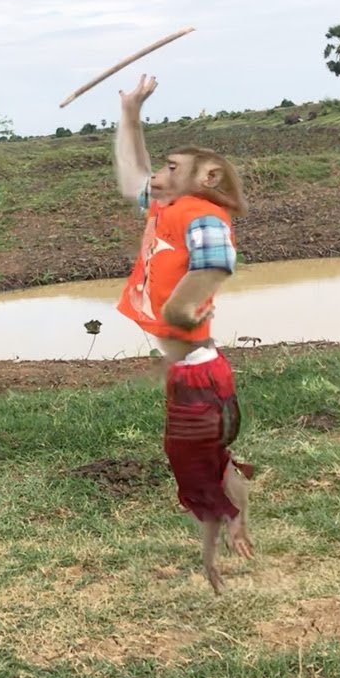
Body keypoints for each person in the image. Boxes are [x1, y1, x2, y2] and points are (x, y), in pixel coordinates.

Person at [112, 75, 256, 594]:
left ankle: (220, 546)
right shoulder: (166, 210)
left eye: (173, 168)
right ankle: (231, 519)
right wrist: (130, 114)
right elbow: (133, 176)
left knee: (192, 468)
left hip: (198, 375)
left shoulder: (200, 213)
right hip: (192, 374)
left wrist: (180, 306)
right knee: (200, 463)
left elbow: (217, 261)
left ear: (207, 175)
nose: (160, 174)